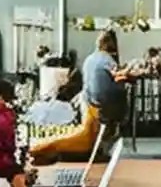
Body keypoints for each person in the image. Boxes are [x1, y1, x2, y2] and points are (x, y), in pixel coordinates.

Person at [29, 31, 131, 166]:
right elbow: (117, 75)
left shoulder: (90, 59)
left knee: (85, 136)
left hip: (88, 103)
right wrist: (129, 70)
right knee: (87, 138)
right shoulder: (107, 59)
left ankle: (43, 148)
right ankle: (41, 147)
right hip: (101, 107)